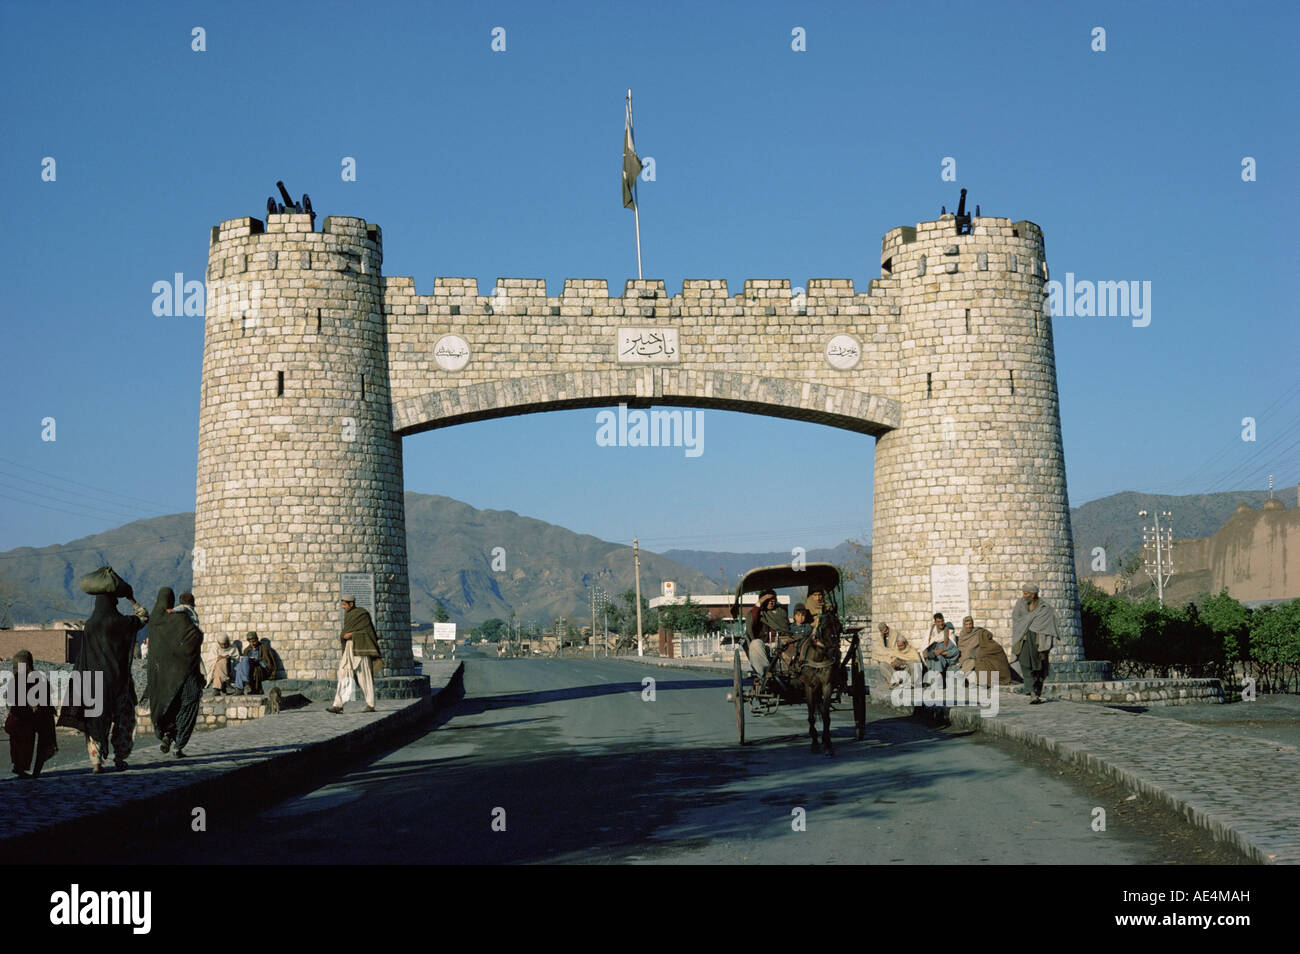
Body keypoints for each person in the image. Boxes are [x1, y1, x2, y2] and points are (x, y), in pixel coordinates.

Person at [56, 586, 148, 772]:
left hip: (94, 683)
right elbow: (144, 617)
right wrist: (132, 599)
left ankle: (96, 762)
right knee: (124, 721)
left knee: (95, 721)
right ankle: (120, 759)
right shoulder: (122, 622)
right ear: (113, 602)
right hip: (119, 683)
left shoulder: (90, 625)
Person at [146, 587, 204, 758]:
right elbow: (195, 637)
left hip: (164, 677)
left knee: (169, 706)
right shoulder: (182, 619)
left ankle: (167, 735)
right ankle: (178, 745)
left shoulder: (155, 621)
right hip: (187, 673)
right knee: (188, 705)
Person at [6, 650, 57, 779]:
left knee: (24, 743)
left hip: (33, 718)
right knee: (31, 743)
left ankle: (22, 769)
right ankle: (28, 770)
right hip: (29, 718)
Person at [327, 596, 382, 713]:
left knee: (365, 677)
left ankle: (370, 704)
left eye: (345, 604)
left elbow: (368, 633)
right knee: (343, 673)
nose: (343, 607)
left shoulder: (363, 615)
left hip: (361, 648)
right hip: (350, 648)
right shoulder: (348, 615)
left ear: (351, 604)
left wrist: (352, 634)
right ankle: (338, 705)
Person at [1011, 584, 1058, 704]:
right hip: (1024, 639)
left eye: (1026, 593)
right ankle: (1032, 693)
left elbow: (1049, 625)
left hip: (1039, 642)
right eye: (1024, 593)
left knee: (1039, 668)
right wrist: (1025, 624)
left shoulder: (1044, 608)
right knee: (1025, 665)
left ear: (1033, 594)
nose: (1024, 596)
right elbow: (1017, 619)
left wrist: (1046, 644)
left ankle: (1037, 692)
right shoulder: (1020, 604)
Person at [746, 589, 789, 690]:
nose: (771, 601)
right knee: (755, 644)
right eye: (768, 599)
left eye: (773, 599)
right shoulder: (759, 613)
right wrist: (760, 602)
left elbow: (787, 628)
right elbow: (752, 620)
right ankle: (766, 674)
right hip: (766, 645)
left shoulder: (781, 612)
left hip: (782, 643)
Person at [956, 616, 1013, 684]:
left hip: (976, 654)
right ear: (964, 625)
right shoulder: (962, 635)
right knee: (970, 662)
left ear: (972, 624)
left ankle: (964, 676)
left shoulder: (977, 632)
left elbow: (987, 636)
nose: (968, 626)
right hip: (964, 657)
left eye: (970, 624)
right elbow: (961, 648)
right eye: (967, 624)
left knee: (979, 664)